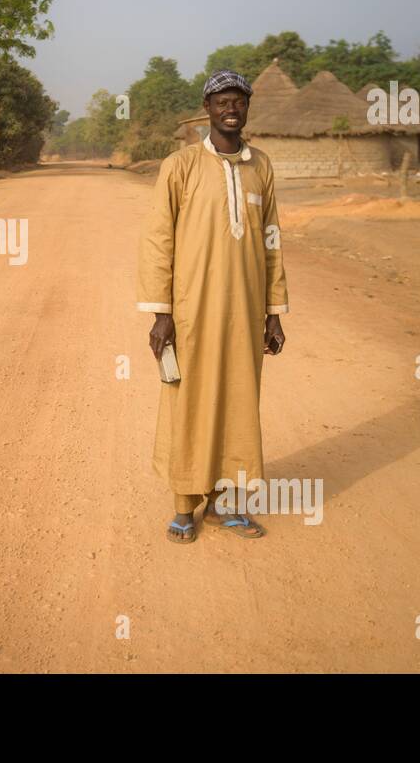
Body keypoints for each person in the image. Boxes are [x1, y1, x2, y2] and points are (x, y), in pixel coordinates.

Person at [137, 70, 289, 544]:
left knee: (238, 402)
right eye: (222, 102)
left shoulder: (260, 166)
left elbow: (271, 241)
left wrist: (273, 312)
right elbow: (158, 239)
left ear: (247, 107)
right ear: (207, 108)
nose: (231, 109)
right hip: (191, 311)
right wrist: (161, 313)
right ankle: (184, 506)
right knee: (188, 402)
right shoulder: (180, 165)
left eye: (238, 101)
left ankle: (226, 504)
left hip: (245, 309)